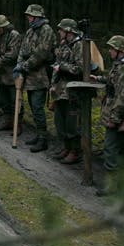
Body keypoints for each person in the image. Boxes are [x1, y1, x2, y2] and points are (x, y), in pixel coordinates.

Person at [93, 35, 124, 196]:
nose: (110, 51)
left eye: (112, 48)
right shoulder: (122, 65)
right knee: (123, 148)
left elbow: (123, 95)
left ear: (120, 50)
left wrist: (114, 118)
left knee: (111, 148)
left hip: (121, 116)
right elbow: (115, 82)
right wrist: (100, 78)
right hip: (121, 115)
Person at [14, 4, 57, 153]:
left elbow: (41, 53)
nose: (29, 18)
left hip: (41, 75)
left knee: (38, 107)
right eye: (28, 16)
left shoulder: (46, 30)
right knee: (33, 106)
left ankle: (43, 138)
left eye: (31, 16)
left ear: (38, 16)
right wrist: (19, 64)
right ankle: (39, 135)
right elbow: (22, 49)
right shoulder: (30, 31)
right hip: (29, 75)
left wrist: (24, 65)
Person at [49, 19, 84, 164]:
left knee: (72, 123)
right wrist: (53, 84)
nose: (59, 32)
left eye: (61, 30)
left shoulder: (79, 46)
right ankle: (66, 147)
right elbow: (57, 64)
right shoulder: (64, 45)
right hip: (60, 89)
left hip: (73, 90)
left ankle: (75, 151)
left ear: (69, 31)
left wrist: (62, 67)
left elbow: (80, 68)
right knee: (60, 120)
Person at [0, 15, 21, 132]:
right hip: (0, 74)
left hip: (11, 74)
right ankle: (7, 121)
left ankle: (17, 124)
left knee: (14, 101)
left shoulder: (14, 35)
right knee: (3, 100)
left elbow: (12, 55)